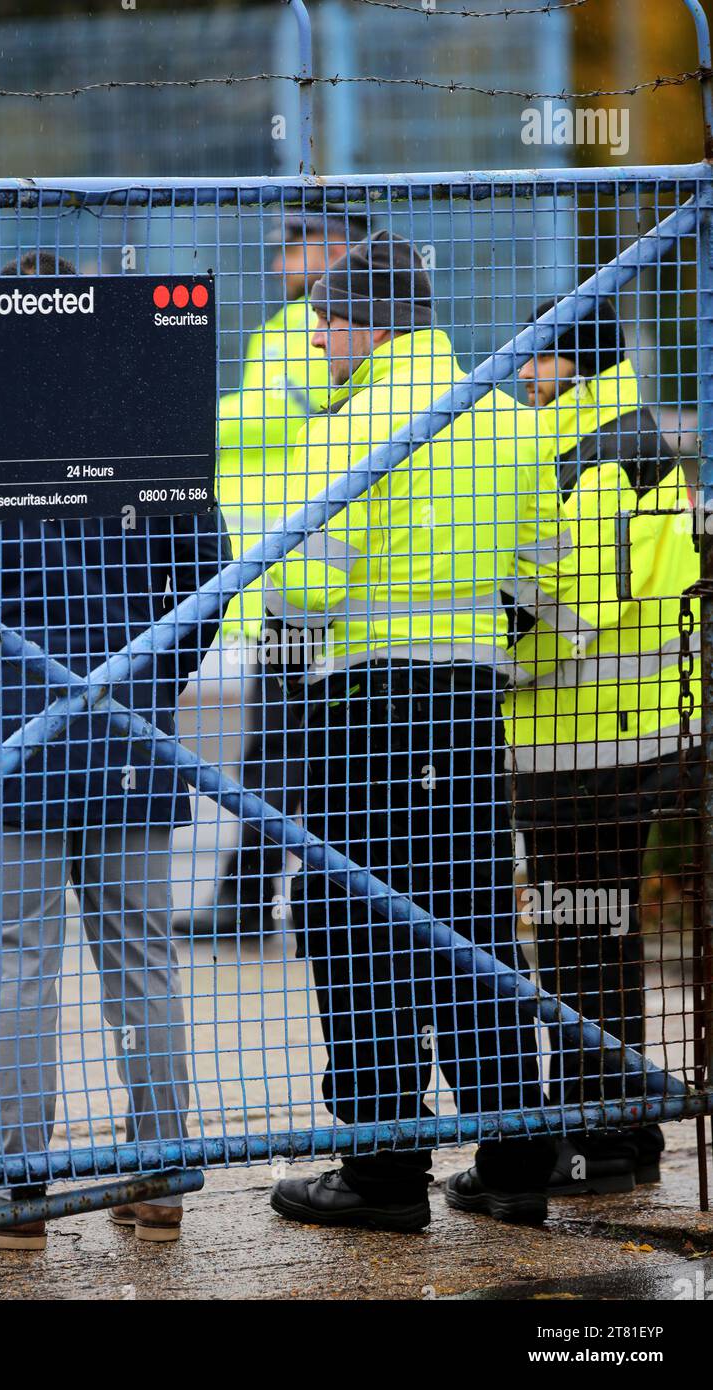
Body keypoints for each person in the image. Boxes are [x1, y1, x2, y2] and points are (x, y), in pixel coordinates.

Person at [0, 251, 230, 1249]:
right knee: (142, 962)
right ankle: (160, 1171)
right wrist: (148, 687)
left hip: (2, 747)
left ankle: (19, 1187)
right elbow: (205, 582)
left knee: (18, 961)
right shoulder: (148, 437)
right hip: (127, 739)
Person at [266, 231, 568, 1232]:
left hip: (364, 712)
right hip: (468, 713)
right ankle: (516, 1155)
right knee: (473, 921)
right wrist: (500, 657)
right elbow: (544, 590)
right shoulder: (504, 420)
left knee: (354, 926)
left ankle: (382, 1168)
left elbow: (304, 594)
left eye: (324, 320)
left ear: (367, 323)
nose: (315, 340)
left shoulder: (345, 430)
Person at [507, 298, 701, 1195]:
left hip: (583, 745)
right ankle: (625, 1129)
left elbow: (584, 598)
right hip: (626, 735)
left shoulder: (597, 452)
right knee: (602, 934)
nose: (518, 373)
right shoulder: (630, 437)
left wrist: (494, 609)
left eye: (532, 358)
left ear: (564, 361)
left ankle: (602, 1139)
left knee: (580, 936)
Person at [198, 208, 370, 935]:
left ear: (335, 246)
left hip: (315, 577)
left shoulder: (332, 322)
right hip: (297, 569)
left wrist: (175, 422)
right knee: (294, 739)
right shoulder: (298, 322)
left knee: (286, 740)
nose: (278, 265)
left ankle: (253, 900)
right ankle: (267, 897)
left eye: (292, 247)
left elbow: (284, 415)